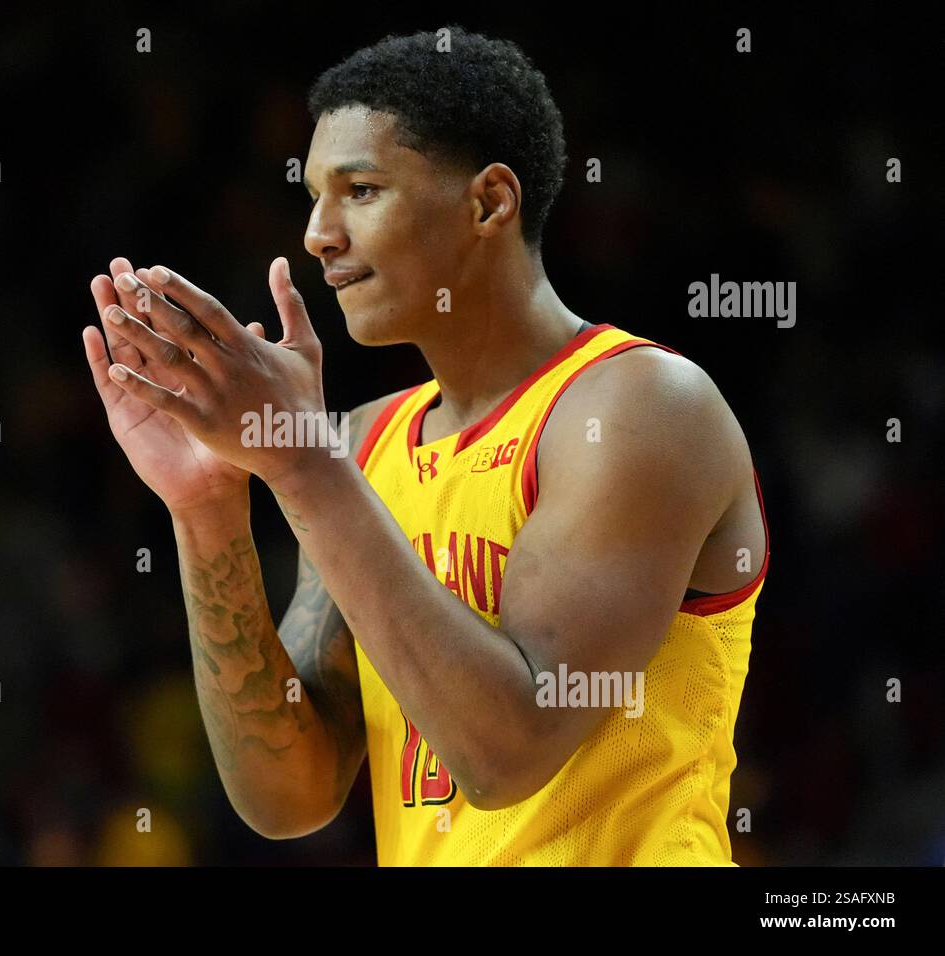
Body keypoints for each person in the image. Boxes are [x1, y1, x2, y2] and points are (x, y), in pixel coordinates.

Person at [81, 26, 769, 865]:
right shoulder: (365, 443)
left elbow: (506, 753)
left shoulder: (640, 407)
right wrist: (207, 505)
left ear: (488, 203)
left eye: (360, 190)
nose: (317, 234)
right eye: (311, 196)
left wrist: (301, 463)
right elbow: (290, 796)